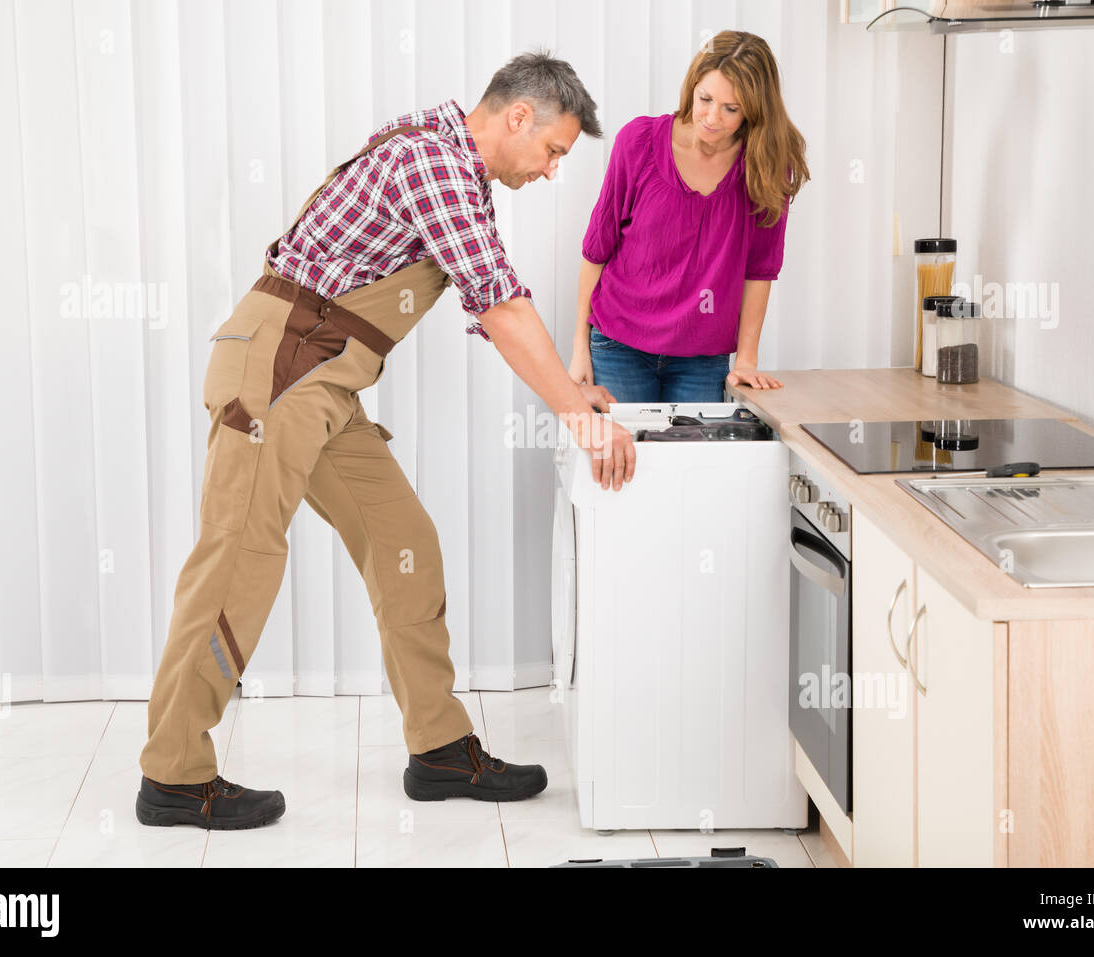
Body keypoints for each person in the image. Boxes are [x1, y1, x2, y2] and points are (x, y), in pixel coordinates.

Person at [135, 51, 635, 831]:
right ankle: (171, 772)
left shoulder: (443, 163)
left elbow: (494, 295)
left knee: (405, 540)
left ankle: (437, 748)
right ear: (517, 117)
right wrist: (579, 414)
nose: (550, 171)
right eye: (553, 151)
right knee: (238, 558)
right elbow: (500, 305)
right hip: (280, 372)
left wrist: (574, 393)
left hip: (323, 380)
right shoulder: (434, 165)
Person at [568, 30, 809, 403]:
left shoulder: (768, 167)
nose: (712, 118)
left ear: (754, 111)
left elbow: (760, 269)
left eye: (731, 109)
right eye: (706, 99)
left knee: (695, 463)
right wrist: (579, 348)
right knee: (622, 460)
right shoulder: (638, 142)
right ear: (692, 86)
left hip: (702, 358)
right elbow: (597, 249)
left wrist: (746, 359)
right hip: (618, 347)